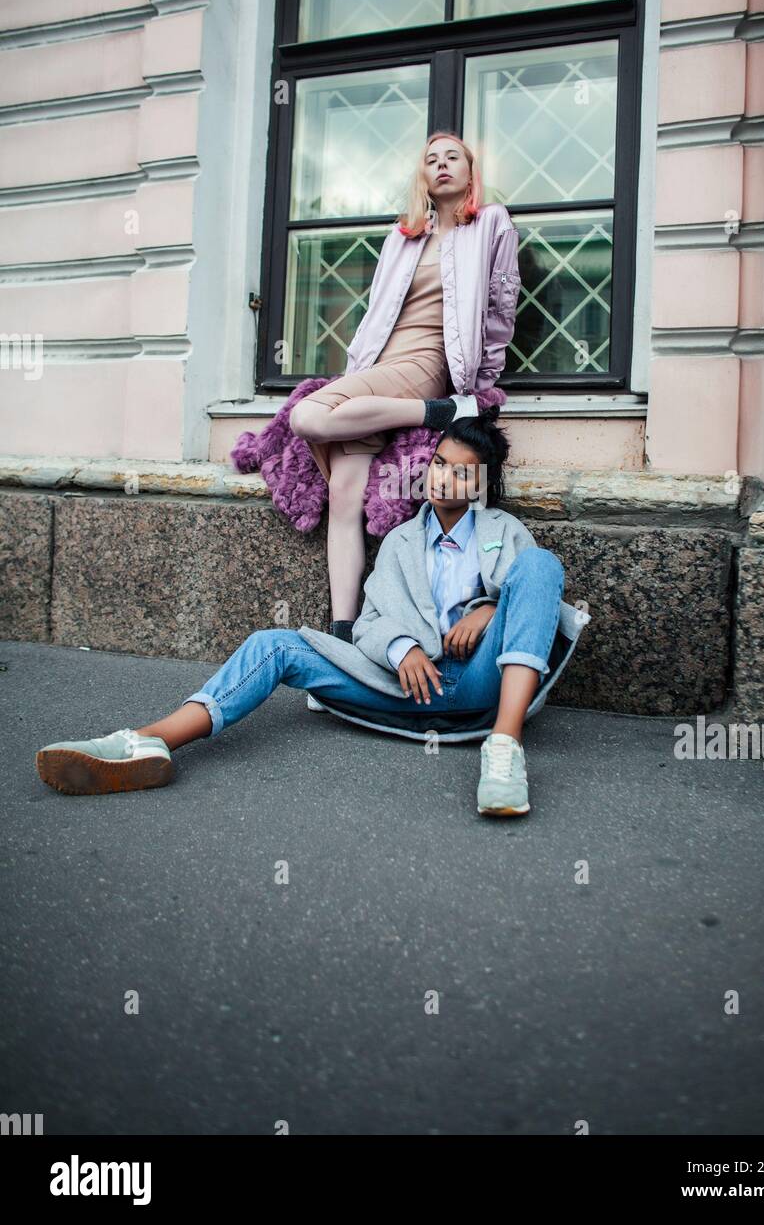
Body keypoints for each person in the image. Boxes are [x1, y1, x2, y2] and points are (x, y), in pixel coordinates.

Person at [35, 410, 576, 819]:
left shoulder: (504, 533)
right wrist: (401, 647)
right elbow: (369, 623)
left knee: (541, 565)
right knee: (275, 644)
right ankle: (149, 742)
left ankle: (503, 753)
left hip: (484, 683)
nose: (443, 479)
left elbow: (534, 598)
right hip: (401, 687)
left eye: (462, 474)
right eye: (438, 463)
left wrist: (487, 609)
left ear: (481, 484)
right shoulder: (401, 542)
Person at [287, 132, 521, 644]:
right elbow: (376, 313)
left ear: (469, 169)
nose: (441, 166)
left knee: (305, 416)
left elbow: (502, 310)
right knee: (344, 493)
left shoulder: (491, 224)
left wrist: (480, 391)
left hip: (429, 362)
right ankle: (344, 633)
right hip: (378, 365)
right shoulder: (402, 236)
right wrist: (355, 370)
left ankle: (441, 409)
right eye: (431, 160)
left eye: (452, 158)